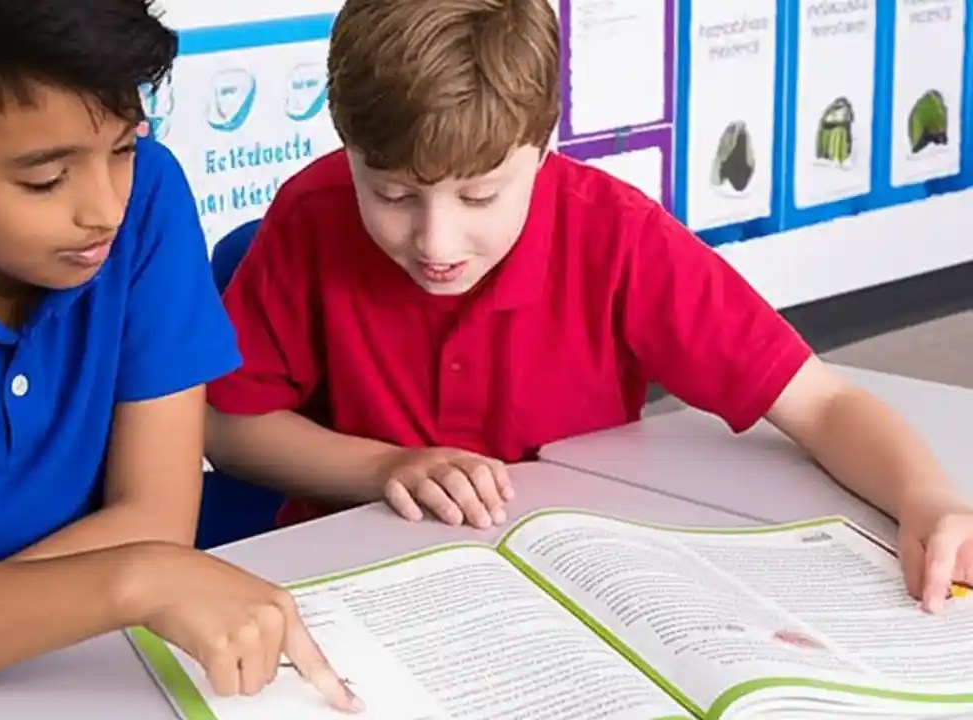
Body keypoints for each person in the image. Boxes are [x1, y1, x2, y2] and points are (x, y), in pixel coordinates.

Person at [205, 0, 973, 614]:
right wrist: (384, 468)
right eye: (394, 195)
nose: (436, 240)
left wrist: (925, 497)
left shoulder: (617, 237)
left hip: (573, 590)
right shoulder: (311, 217)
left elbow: (822, 402)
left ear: (542, 148)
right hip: (353, 581)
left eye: (480, 196)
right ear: (348, 148)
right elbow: (227, 429)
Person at [0, 0, 359, 709]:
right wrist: (135, 578)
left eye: (124, 149)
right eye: (45, 180)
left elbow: (158, 520)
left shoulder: (150, 197)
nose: (104, 210)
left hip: (87, 644)